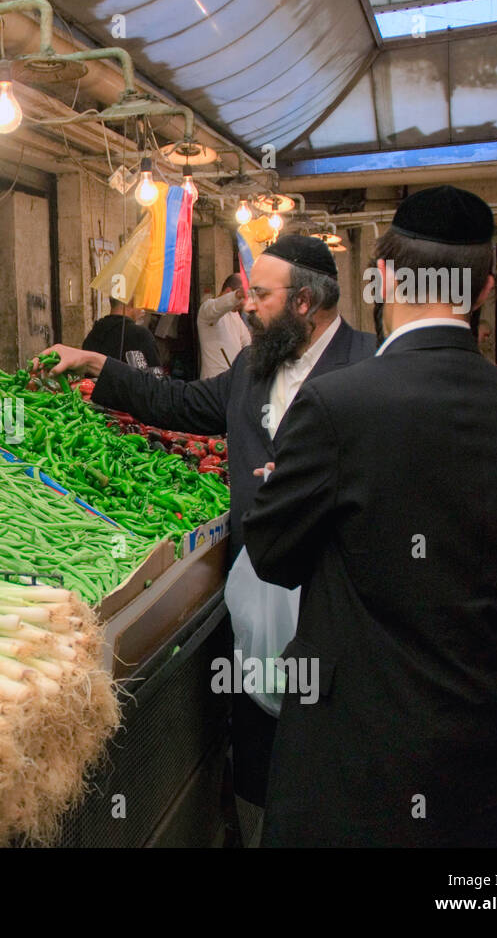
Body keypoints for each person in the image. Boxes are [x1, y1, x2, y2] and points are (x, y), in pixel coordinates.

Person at [243, 186, 497, 847]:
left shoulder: (338, 405)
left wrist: (291, 492)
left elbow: (273, 556)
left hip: (363, 751)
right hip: (494, 738)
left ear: (384, 276)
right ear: (489, 286)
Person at [37, 235, 376, 846]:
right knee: (258, 738)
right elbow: (184, 403)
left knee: (332, 738)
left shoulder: (371, 368)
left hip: (337, 596)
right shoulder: (255, 365)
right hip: (257, 584)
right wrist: (97, 366)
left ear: (304, 302)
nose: (247, 307)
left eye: (261, 296)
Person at [197, 274, 252, 378]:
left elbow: (247, 343)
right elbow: (215, 307)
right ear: (228, 292)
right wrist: (237, 295)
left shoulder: (235, 315)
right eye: (241, 299)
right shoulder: (206, 309)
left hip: (233, 382)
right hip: (213, 383)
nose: (243, 304)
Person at [81, 299, 161, 371]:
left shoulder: (93, 335)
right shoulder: (141, 335)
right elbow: (156, 380)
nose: (143, 310)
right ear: (132, 301)